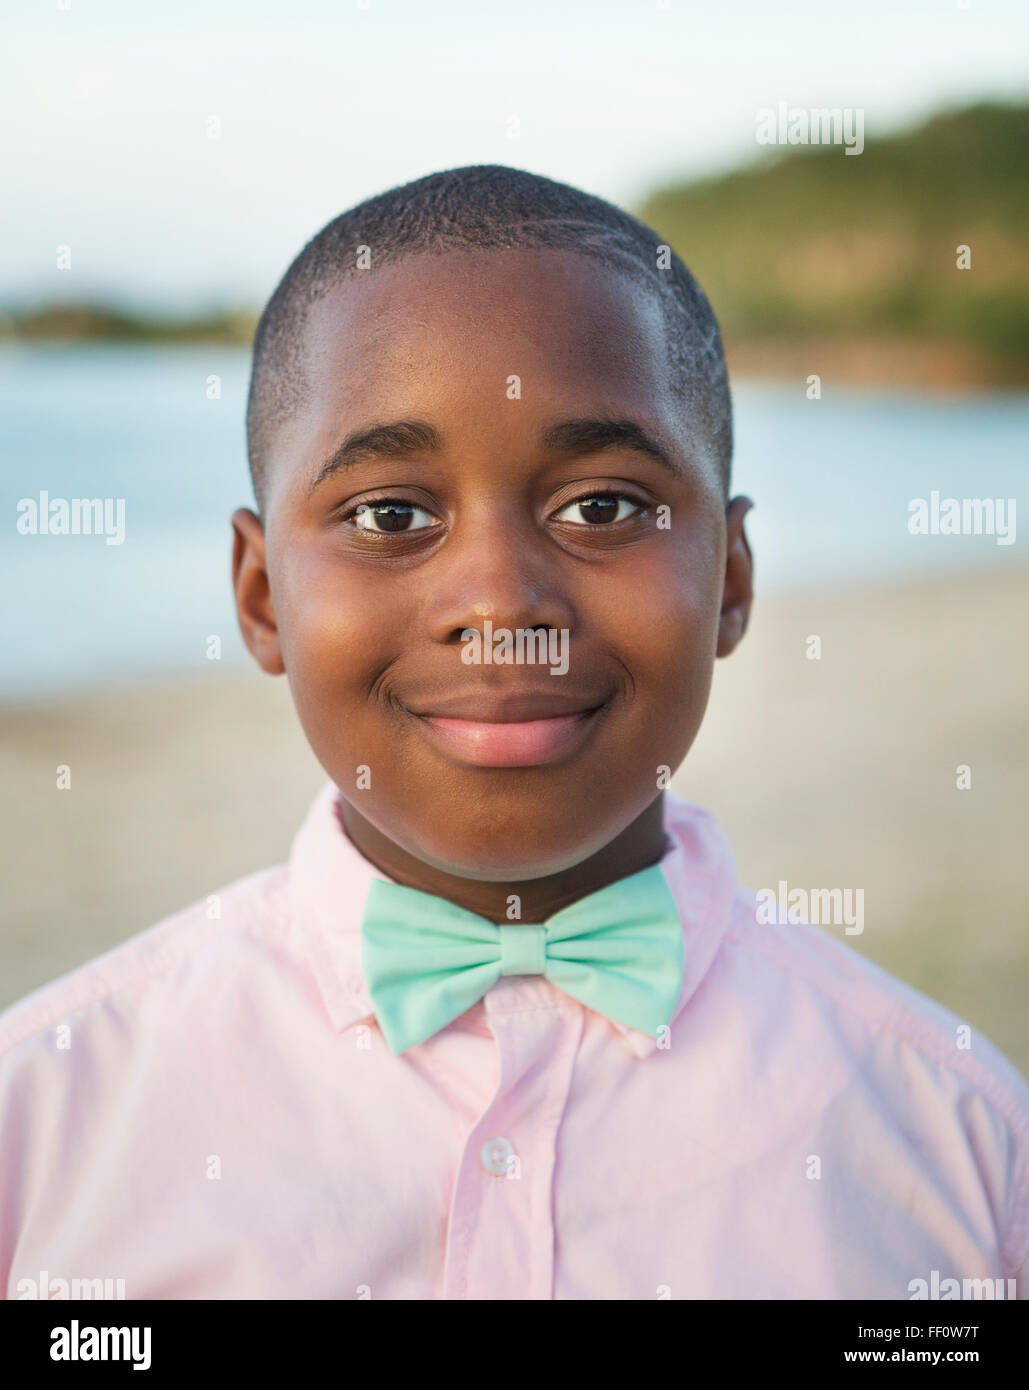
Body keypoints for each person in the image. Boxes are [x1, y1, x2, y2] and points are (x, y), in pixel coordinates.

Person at [2, 166, 1026, 1300]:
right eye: (392, 515)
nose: (500, 604)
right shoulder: (42, 1128)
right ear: (259, 598)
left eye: (603, 506)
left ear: (731, 579)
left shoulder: (960, 1145)